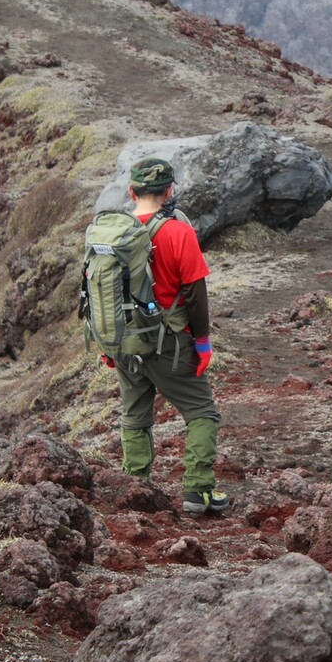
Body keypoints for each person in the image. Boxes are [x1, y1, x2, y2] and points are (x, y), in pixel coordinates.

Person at [102, 157, 228, 514]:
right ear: (169, 192)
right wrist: (202, 343)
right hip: (168, 343)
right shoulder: (178, 232)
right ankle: (198, 491)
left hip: (123, 342)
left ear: (132, 192)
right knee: (202, 412)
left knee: (135, 415)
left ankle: (136, 488)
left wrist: (108, 343)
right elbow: (195, 294)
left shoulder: (112, 234)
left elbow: (101, 293)